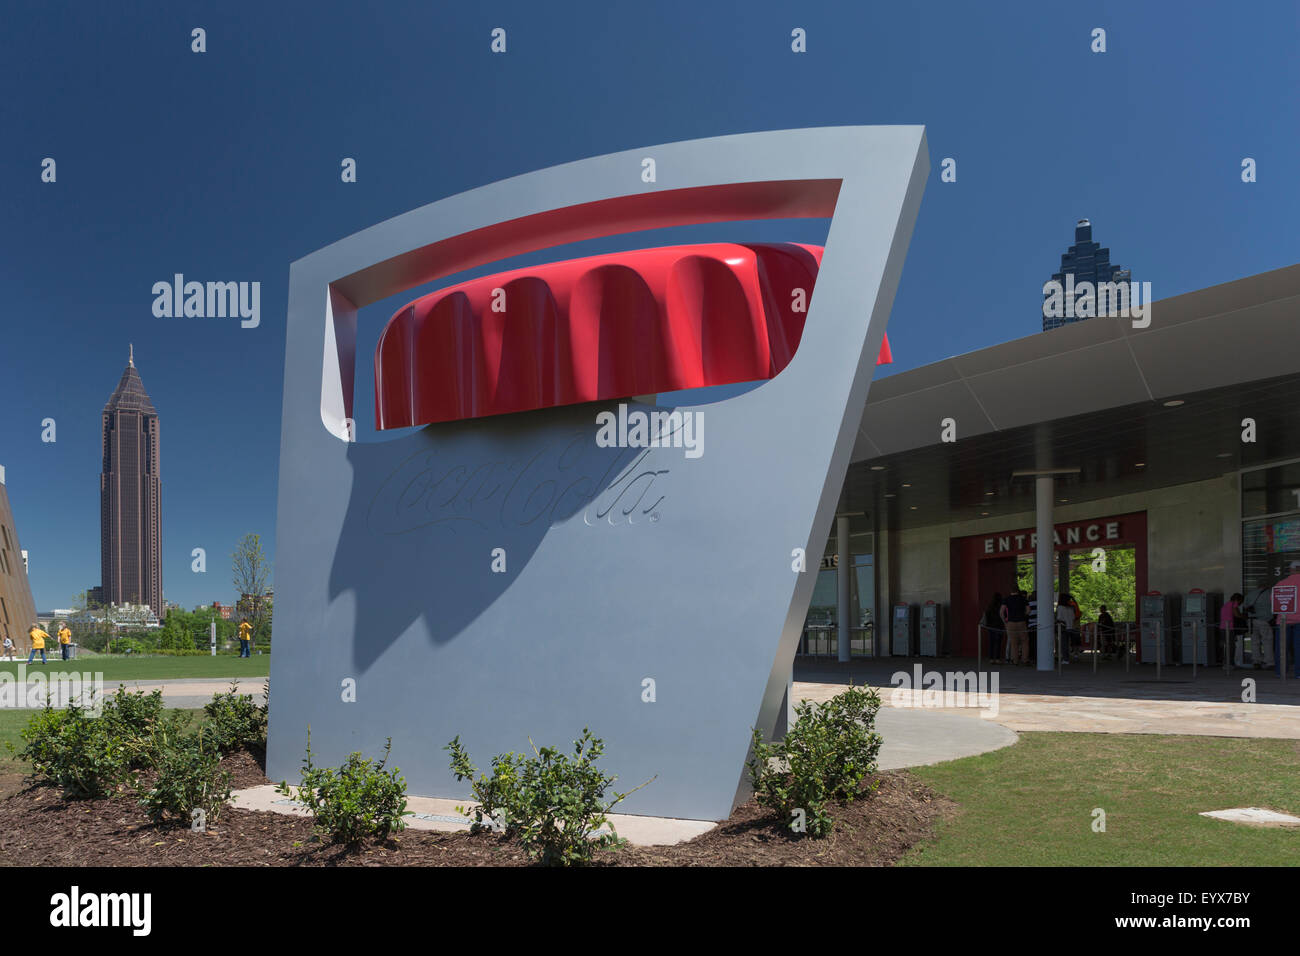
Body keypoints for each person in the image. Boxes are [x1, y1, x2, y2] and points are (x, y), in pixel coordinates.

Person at [1003, 589, 1029, 665]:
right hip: (1021, 621)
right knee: (1024, 641)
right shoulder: (1023, 599)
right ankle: (1025, 659)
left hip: (1011, 622)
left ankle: (1015, 660)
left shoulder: (1007, 599)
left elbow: (1001, 611)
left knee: (1013, 642)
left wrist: (1005, 622)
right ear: (1018, 591)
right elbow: (1028, 610)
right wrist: (1024, 616)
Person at [1219, 593, 1245, 667]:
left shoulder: (1226, 604)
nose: (1240, 603)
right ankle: (1229, 663)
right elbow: (1236, 614)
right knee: (1231, 646)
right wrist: (1243, 616)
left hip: (1222, 627)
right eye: (1241, 601)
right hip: (1229, 628)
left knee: (1226, 646)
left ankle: (1225, 663)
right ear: (1238, 600)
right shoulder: (1234, 603)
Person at [1055, 592, 1080, 664]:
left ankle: (1066, 659)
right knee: (1072, 643)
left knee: (1064, 644)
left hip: (1063, 627)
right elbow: (1074, 617)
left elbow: (1059, 618)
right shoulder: (1071, 607)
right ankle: (1074, 656)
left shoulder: (1060, 607)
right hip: (1071, 626)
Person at [984, 592, 1005, 662]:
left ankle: (991, 658)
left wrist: (987, 624)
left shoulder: (990, 606)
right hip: (999, 626)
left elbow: (987, 615)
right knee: (998, 643)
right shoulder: (1001, 606)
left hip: (991, 626)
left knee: (991, 642)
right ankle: (997, 658)